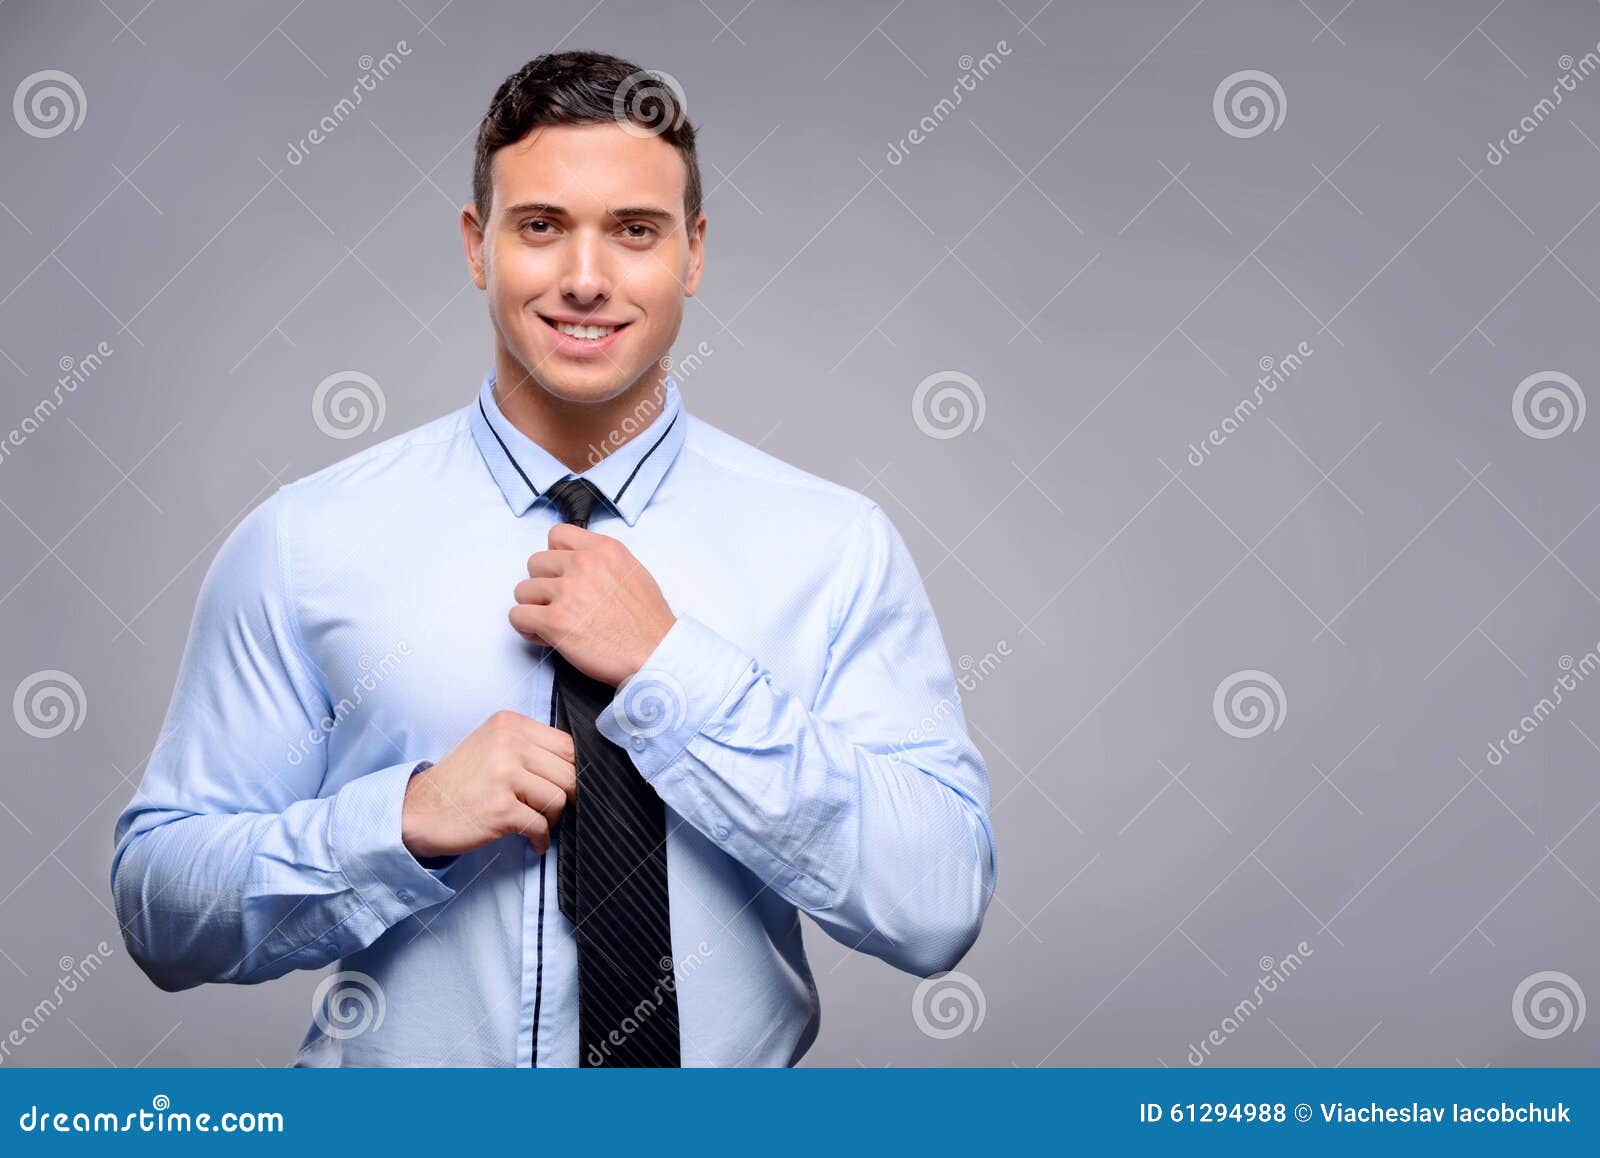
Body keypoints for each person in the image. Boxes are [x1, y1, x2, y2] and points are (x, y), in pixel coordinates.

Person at [111, 49, 996, 1067]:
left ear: (693, 254)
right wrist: (399, 824)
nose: (585, 278)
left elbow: (936, 903)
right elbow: (159, 910)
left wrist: (676, 674)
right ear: (476, 244)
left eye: (634, 231)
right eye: (541, 227)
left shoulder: (833, 547)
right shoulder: (306, 542)